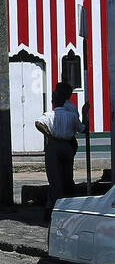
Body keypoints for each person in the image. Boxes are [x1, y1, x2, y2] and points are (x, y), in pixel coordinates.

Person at [36, 82, 87, 218]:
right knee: (67, 176)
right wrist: (85, 114)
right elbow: (81, 128)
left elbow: (38, 123)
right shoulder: (71, 112)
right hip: (68, 143)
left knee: (54, 178)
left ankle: (53, 208)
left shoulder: (52, 113)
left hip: (55, 144)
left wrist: (49, 135)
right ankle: (68, 206)